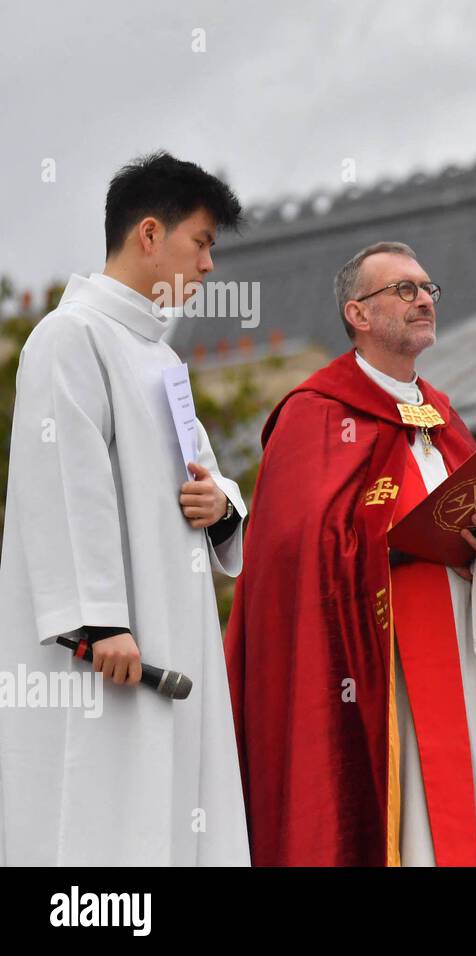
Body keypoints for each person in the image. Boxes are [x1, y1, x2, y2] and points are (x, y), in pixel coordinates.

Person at [225, 241, 476, 866]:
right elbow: (293, 561)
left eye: (427, 289)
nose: (422, 301)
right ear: (358, 315)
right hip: (383, 675)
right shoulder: (315, 417)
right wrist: (390, 537)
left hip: (465, 667)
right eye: (403, 290)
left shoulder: (444, 420)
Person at [0, 152, 249, 865]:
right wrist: (99, 621)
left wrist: (220, 505)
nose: (207, 267)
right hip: (111, 650)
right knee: (104, 820)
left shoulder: (163, 361)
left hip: (174, 627)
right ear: (149, 234)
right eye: (200, 243)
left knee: (175, 813)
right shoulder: (68, 337)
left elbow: (207, 471)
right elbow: (62, 483)